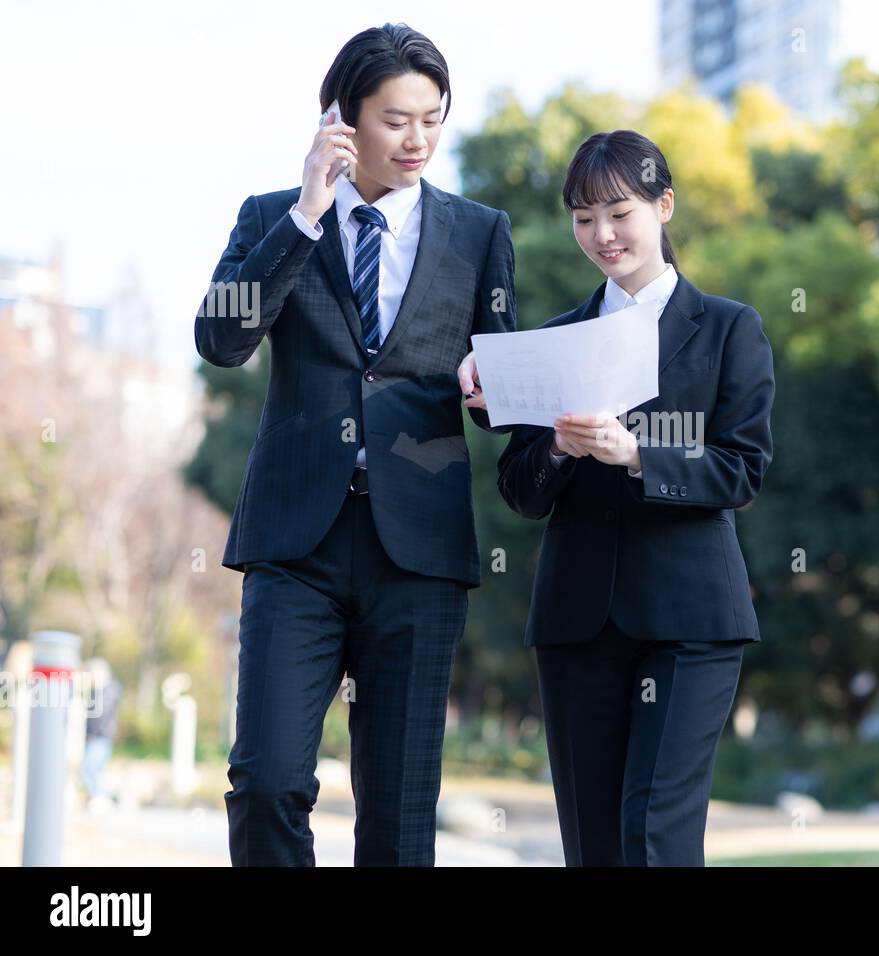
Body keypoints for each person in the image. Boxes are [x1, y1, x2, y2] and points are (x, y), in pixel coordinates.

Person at [196, 22, 515, 866]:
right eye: (395, 119)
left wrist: (496, 389)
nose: (418, 140)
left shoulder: (481, 233)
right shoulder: (273, 218)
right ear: (342, 118)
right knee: (266, 781)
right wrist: (306, 212)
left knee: (401, 813)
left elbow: (503, 390)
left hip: (419, 548)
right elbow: (221, 341)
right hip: (296, 541)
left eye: (433, 118)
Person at [466, 129, 775, 865]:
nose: (601, 235)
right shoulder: (554, 340)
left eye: (619, 212)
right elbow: (520, 490)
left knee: (653, 836)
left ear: (663, 206)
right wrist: (558, 447)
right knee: (594, 847)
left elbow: (742, 468)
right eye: (582, 218)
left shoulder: (730, 329)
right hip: (577, 625)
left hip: (690, 623)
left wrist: (638, 454)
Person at [81, 658, 122, 813]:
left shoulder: (106, 691)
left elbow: (99, 715)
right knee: (95, 768)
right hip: (100, 736)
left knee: (89, 767)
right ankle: (102, 796)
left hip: (101, 736)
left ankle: (101, 797)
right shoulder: (105, 691)